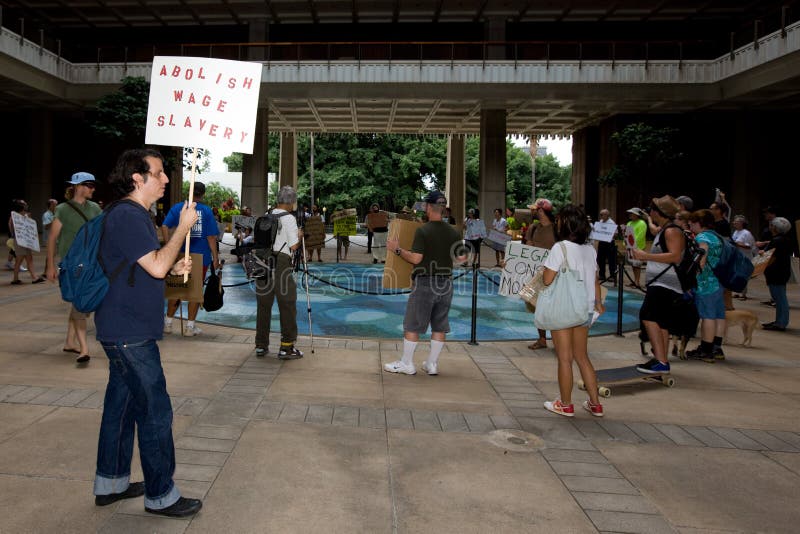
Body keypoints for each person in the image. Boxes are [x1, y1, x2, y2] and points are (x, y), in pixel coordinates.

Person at [93, 148, 202, 517]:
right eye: (158, 173)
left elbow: (141, 268)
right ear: (137, 178)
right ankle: (161, 495)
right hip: (129, 332)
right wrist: (183, 230)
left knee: (121, 409)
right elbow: (155, 266)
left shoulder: (128, 214)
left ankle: (111, 482)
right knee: (155, 412)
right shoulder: (128, 215)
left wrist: (172, 267)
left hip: (122, 327)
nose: (166, 179)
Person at [383, 190, 467, 376]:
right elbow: (462, 258)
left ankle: (406, 363)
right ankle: (431, 364)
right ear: (443, 209)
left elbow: (416, 258)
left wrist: (397, 250)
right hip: (446, 283)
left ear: (428, 207)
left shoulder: (423, 230)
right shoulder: (453, 231)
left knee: (413, 324)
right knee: (439, 324)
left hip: (425, 282)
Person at [541, 204, 605, 417]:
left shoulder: (561, 248)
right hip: (585, 309)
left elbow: (547, 280)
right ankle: (595, 404)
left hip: (565, 308)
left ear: (564, 224)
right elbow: (595, 280)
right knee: (582, 356)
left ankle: (566, 404)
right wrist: (598, 303)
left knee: (565, 358)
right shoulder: (590, 249)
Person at [46, 172, 103, 363]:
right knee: (80, 304)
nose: (93, 189)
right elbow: (52, 239)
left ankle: (70, 342)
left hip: (91, 263)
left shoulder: (95, 208)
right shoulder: (62, 209)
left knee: (78, 302)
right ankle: (84, 349)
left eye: (94, 185)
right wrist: (50, 266)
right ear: (77, 186)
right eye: (89, 185)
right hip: (72, 265)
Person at [632, 196, 685, 375]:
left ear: (658, 212)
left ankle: (661, 361)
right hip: (662, 283)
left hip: (666, 284)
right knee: (661, 322)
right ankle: (661, 359)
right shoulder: (665, 230)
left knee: (648, 316)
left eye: (651, 209)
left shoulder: (671, 231)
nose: (650, 212)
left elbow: (675, 256)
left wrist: (646, 256)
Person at [161, 182, 219, 337]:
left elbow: (165, 226)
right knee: (195, 291)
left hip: (181, 255)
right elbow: (211, 236)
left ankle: (167, 323)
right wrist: (215, 257)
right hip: (201, 256)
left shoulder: (179, 208)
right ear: (203, 194)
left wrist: (169, 246)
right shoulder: (206, 211)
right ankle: (189, 327)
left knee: (177, 289)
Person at [254, 186, 304, 359]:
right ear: (291, 202)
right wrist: (300, 234)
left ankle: (261, 345)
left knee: (263, 305)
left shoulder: (266, 215)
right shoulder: (289, 218)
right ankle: (287, 347)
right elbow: (293, 246)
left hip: (261, 262)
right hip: (281, 263)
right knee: (287, 304)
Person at [684, 209, 727, 362]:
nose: (690, 225)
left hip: (706, 283)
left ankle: (706, 350)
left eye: (692, 222)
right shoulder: (717, 237)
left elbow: (701, 259)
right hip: (719, 281)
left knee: (707, 316)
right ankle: (717, 347)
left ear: (699, 223)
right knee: (719, 315)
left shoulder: (702, 237)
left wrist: (692, 277)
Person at [525, 198, 557, 350]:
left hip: (553, 274)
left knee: (554, 308)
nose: (532, 212)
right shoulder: (533, 228)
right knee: (536, 306)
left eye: (535, 209)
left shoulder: (557, 229)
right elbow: (525, 250)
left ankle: (559, 338)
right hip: (536, 273)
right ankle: (542, 338)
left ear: (541, 211)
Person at [761, 217, 793, 331]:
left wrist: (762, 258)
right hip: (782, 271)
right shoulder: (785, 239)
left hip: (776, 272)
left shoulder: (776, 240)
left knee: (779, 298)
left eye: (771, 225)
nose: (770, 226)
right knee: (779, 298)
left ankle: (781, 323)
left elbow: (770, 257)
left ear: (774, 227)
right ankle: (779, 321)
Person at [8, 199, 46, 285]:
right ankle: (16, 279)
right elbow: (12, 227)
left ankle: (33, 277)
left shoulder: (23, 215)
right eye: (24, 204)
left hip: (26, 241)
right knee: (19, 260)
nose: (26, 205)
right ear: (21, 207)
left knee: (28, 259)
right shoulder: (15, 216)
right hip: (20, 241)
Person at [731, 215, 756, 300]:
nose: (734, 223)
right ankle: (737, 291)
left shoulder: (746, 233)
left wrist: (736, 244)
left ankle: (743, 293)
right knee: (736, 275)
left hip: (745, 257)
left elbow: (750, 246)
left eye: (736, 222)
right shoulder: (735, 232)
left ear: (741, 223)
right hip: (737, 256)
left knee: (743, 275)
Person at [626, 207, 648, 289]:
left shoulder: (642, 223)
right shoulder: (629, 223)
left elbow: (640, 235)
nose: (630, 215)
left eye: (631, 213)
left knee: (637, 265)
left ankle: (637, 282)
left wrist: (632, 244)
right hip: (630, 247)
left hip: (638, 247)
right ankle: (635, 281)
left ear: (636, 214)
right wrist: (626, 243)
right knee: (633, 265)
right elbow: (627, 234)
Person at [595, 208, 617, 284]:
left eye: (602, 215)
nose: (601, 216)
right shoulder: (600, 222)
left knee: (611, 260)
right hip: (602, 242)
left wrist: (609, 234)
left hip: (609, 243)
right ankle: (602, 274)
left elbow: (615, 233)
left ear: (607, 215)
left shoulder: (611, 223)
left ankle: (612, 276)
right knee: (600, 259)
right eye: (600, 214)